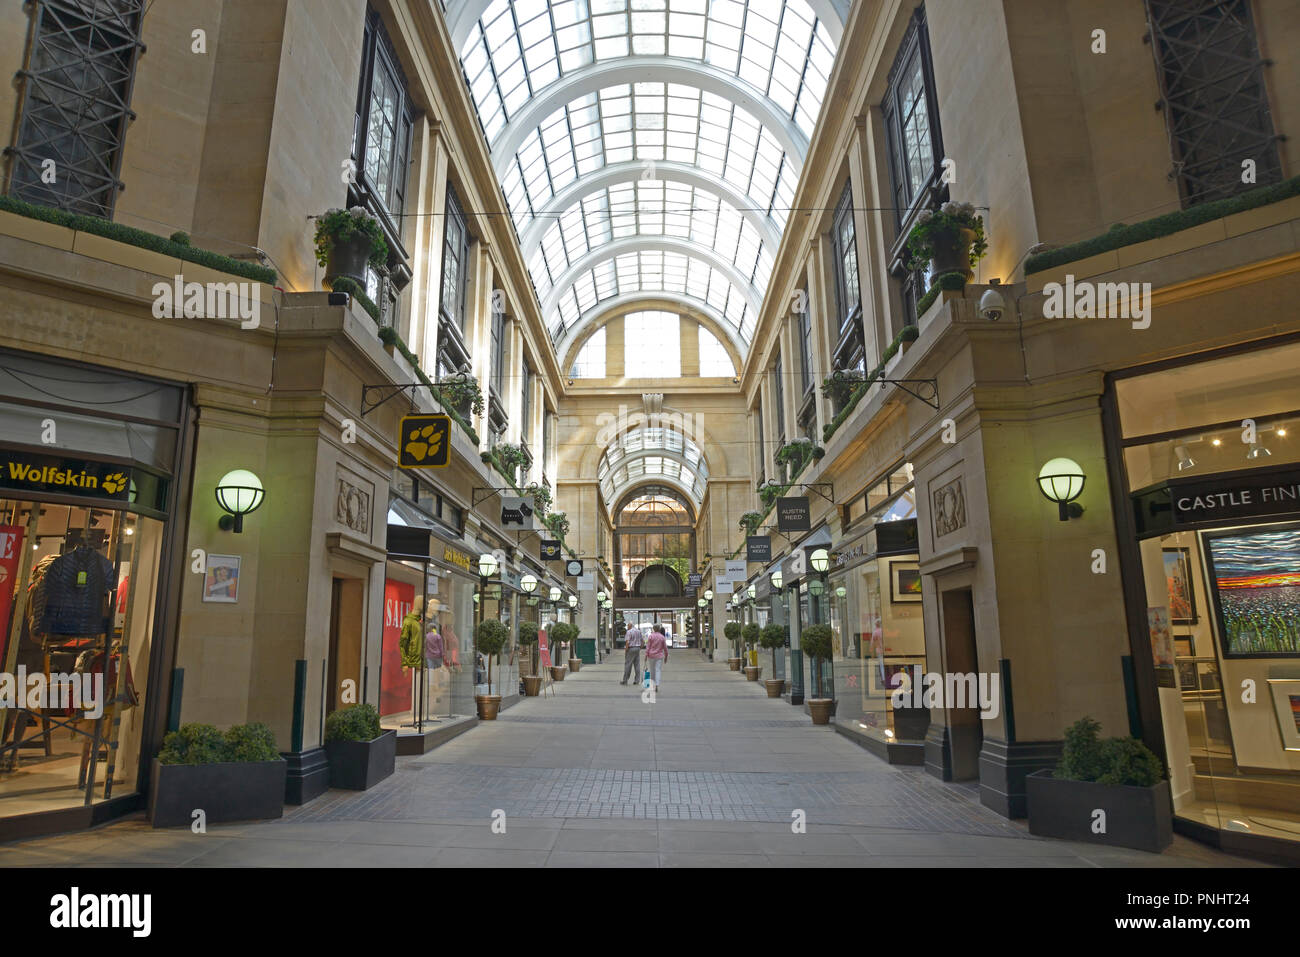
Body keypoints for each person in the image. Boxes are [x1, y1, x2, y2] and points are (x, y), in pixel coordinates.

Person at [645, 623, 668, 692]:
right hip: (659, 656)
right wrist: (666, 656)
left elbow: (648, 647)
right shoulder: (662, 637)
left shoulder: (651, 636)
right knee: (658, 670)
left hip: (651, 656)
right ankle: (657, 685)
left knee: (652, 671)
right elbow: (665, 648)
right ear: (659, 629)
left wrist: (646, 655)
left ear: (654, 629)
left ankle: (653, 685)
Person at [620, 621, 645, 686]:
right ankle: (637, 681)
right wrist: (640, 648)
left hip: (631, 649)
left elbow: (627, 642)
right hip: (637, 648)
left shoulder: (629, 632)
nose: (627, 628)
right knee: (637, 665)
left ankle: (625, 680)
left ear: (630, 626)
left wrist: (626, 650)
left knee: (628, 664)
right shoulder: (638, 631)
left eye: (627, 626)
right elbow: (643, 641)